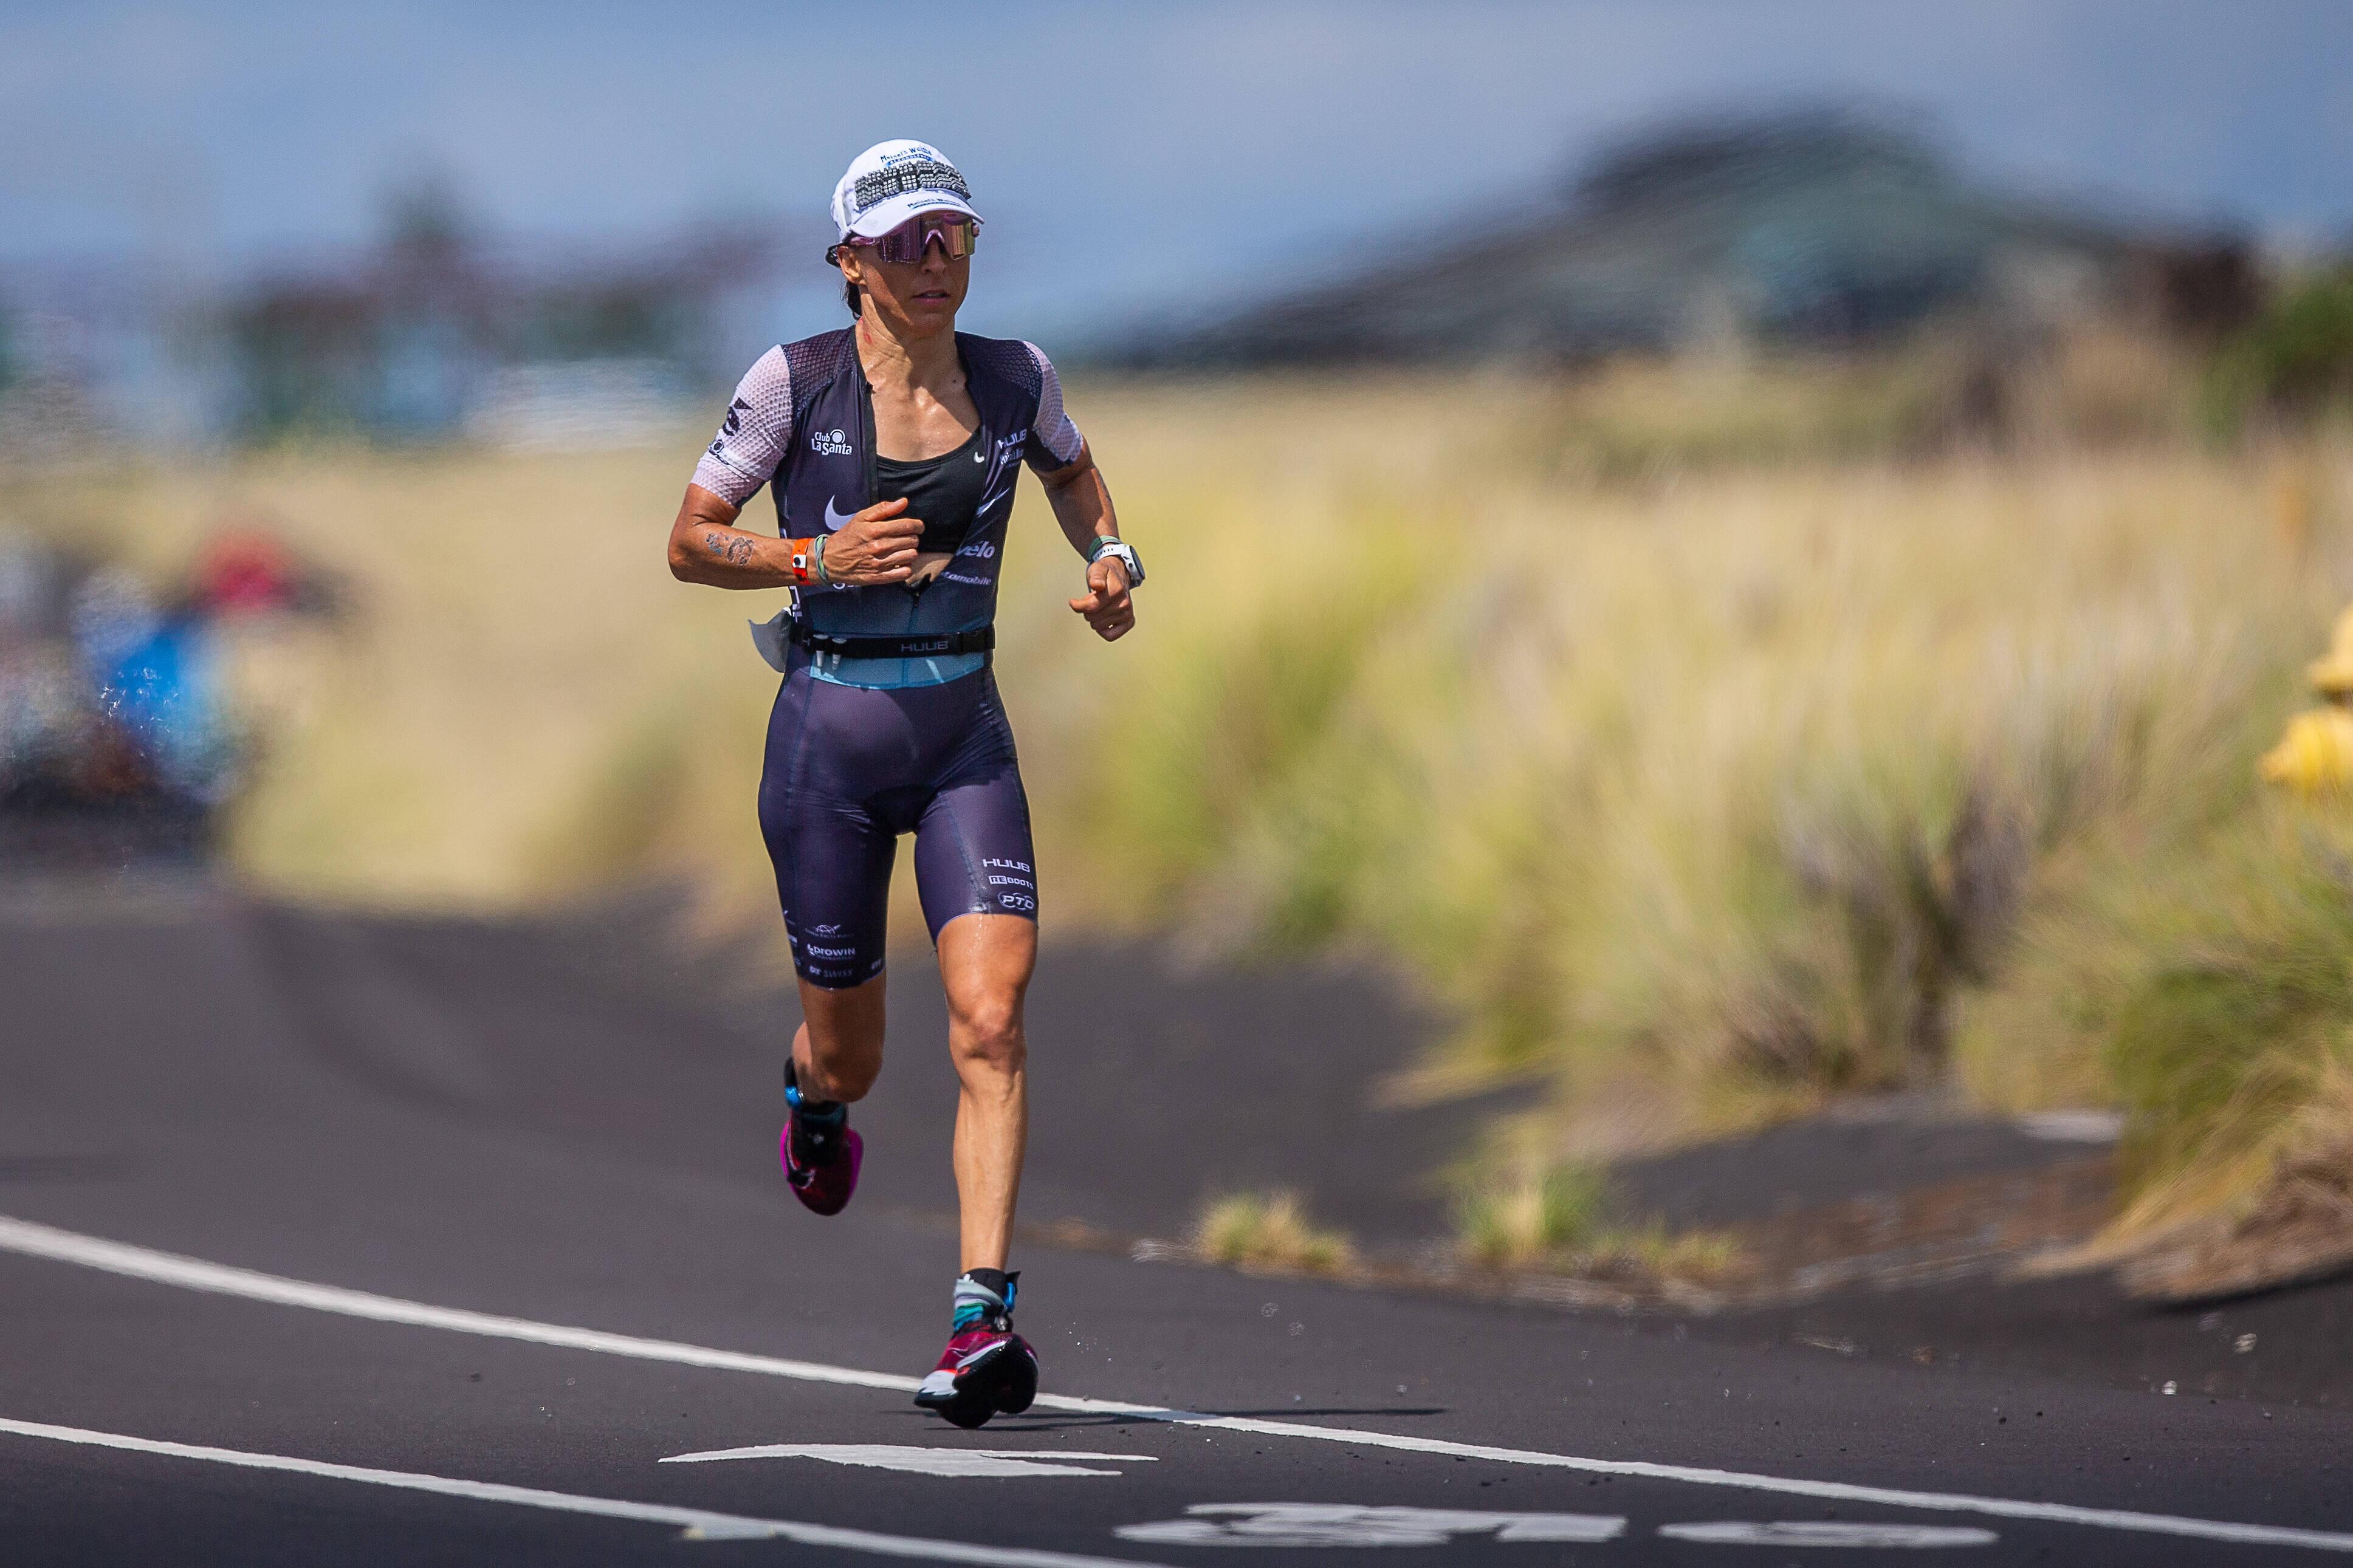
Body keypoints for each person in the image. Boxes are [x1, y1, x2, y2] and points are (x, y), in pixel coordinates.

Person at [665, 140, 1141, 1429]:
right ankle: (810, 1099)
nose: (935, 259)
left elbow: (1074, 472)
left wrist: (1112, 556)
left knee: (991, 1020)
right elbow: (689, 542)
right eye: (904, 240)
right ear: (851, 264)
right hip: (827, 743)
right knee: (854, 1056)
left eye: (953, 235)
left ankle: (981, 1312)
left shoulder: (1018, 376)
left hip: (963, 741)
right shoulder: (792, 383)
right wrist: (811, 558)